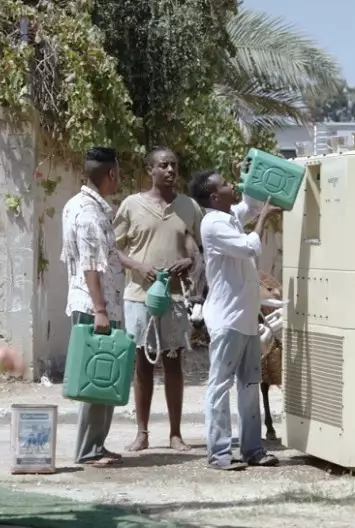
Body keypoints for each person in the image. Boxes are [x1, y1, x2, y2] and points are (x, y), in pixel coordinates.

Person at [189, 166, 281, 470]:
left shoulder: (227, 217)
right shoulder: (213, 224)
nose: (231, 186)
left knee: (249, 384)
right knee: (219, 386)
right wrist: (265, 218)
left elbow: (249, 205)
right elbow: (248, 247)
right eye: (226, 183)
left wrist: (252, 175)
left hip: (244, 319)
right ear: (215, 196)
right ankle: (219, 453)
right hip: (228, 320)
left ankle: (252, 449)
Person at [113, 147, 203, 452]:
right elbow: (114, 248)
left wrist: (188, 263)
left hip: (175, 298)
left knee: (174, 363)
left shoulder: (189, 207)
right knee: (142, 365)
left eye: (174, 165)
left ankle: (175, 434)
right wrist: (139, 266)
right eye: (163, 165)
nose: (170, 170)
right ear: (149, 170)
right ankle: (142, 432)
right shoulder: (131, 206)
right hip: (140, 298)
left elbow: (198, 249)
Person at [60, 146, 125, 468]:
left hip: (101, 303)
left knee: (105, 377)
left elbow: (107, 255)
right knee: (96, 380)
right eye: (118, 172)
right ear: (111, 174)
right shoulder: (87, 213)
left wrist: (136, 263)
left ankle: (97, 444)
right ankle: (88, 450)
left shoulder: (82, 205)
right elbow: (90, 265)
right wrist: (101, 310)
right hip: (95, 306)